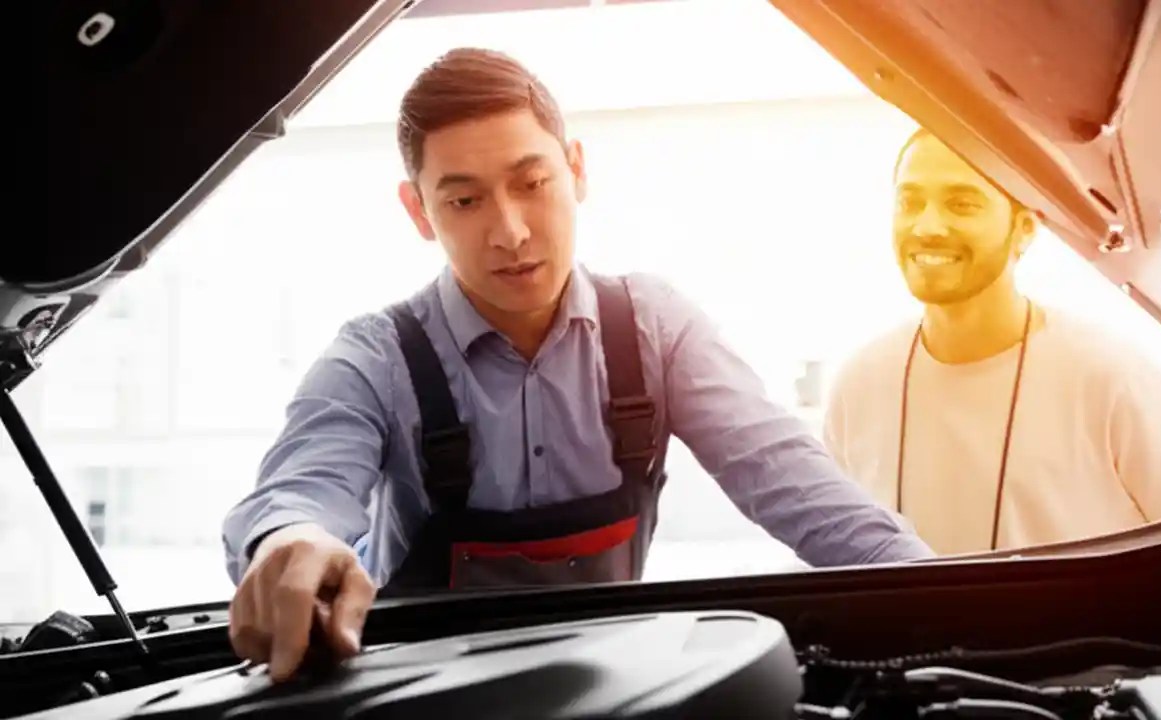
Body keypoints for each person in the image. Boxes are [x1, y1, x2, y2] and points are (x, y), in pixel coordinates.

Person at [221, 48, 933, 683]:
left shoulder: (657, 330)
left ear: (577, 170)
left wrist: (946, 600)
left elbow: (798, 487)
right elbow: (298, 496)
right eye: (465, 200)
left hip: (616, 689)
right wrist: (292, 542)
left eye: (532, 183)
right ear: (418, 210)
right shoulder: (375, 357)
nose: (510, 231)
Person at [822, 127, 1161, 558]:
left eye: (961, 204)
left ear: (1024, 228)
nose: (926, 225)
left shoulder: (1107, 375)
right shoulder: (860, 384)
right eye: (910, 202)